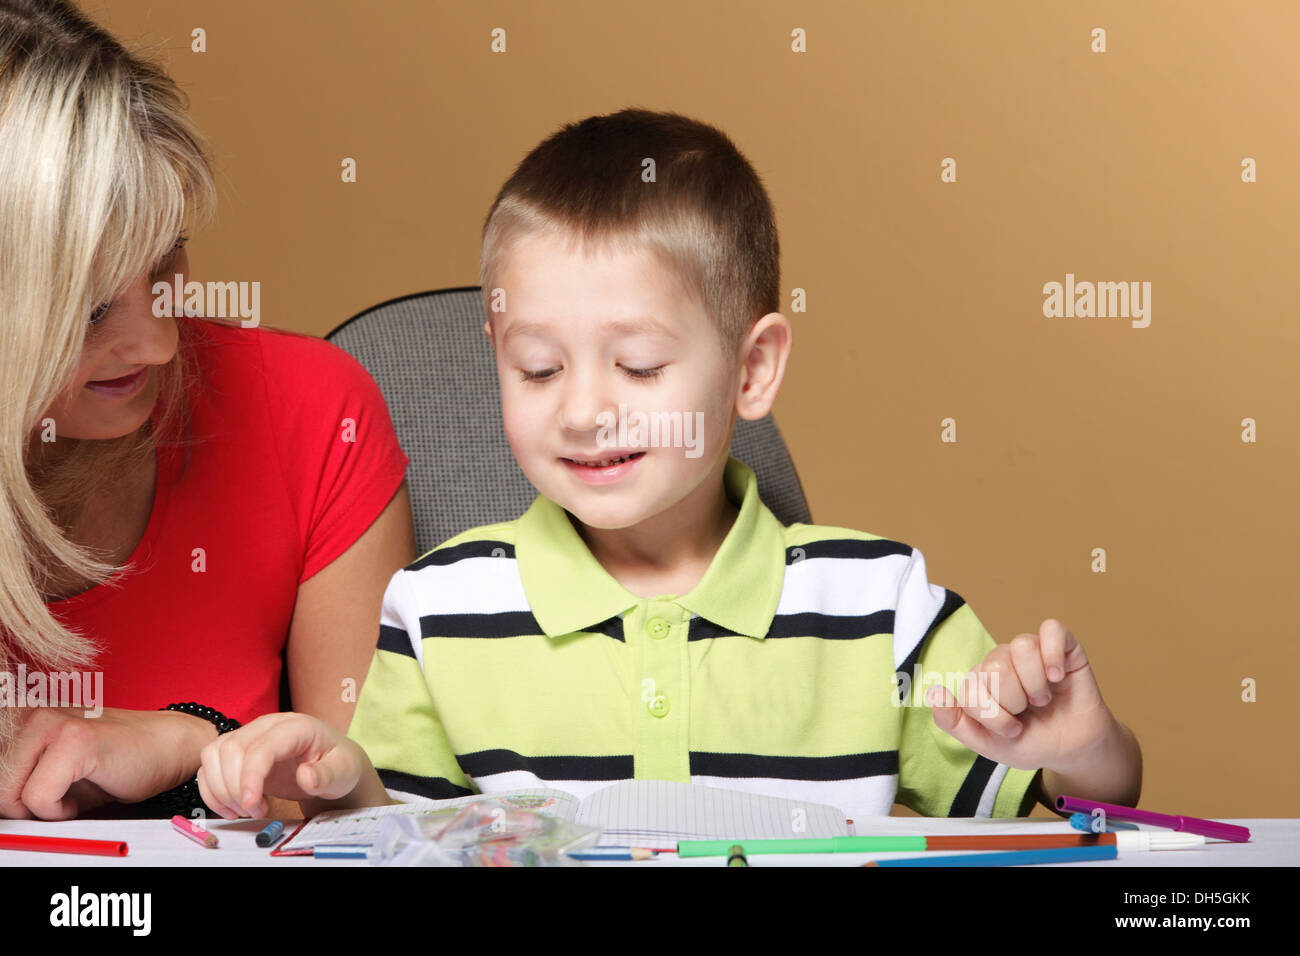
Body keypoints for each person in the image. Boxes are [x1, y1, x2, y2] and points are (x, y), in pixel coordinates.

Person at [196, 109, 1141, 824]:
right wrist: (332, 776)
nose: (582, 408)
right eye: (537, 368)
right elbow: (404, 838)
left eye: (639, 365)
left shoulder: (880, 607)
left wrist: (1086, 753)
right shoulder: (438, 611)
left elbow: (1071, 815)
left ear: (752, 369)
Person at [0, 0, 415, 820]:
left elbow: (368, 820)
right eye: (86, 313)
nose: (158, 345)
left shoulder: (310, 410)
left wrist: (195, 745)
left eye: (165, 260)